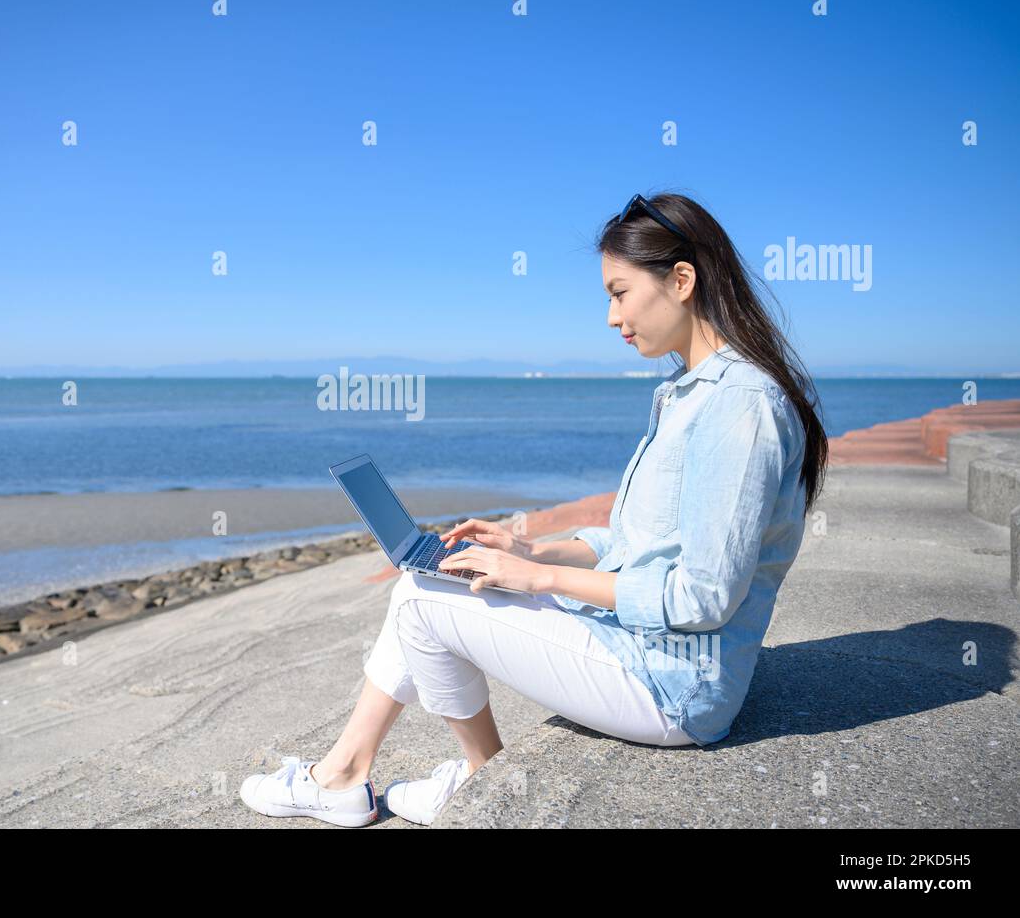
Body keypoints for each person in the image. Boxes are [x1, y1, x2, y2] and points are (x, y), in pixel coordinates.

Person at [239, 192, 829, 827]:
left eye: (620, 292)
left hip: (673, 686)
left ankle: (478, 781)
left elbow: (703, 598)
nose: (611, 317)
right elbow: (635, 545)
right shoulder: (690, 395)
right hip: (638, 648)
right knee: (431, 577)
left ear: (681, 281)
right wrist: (528, 549)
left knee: (419, 600)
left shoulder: (738, 406)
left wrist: (541, 580)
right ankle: (347, 774)